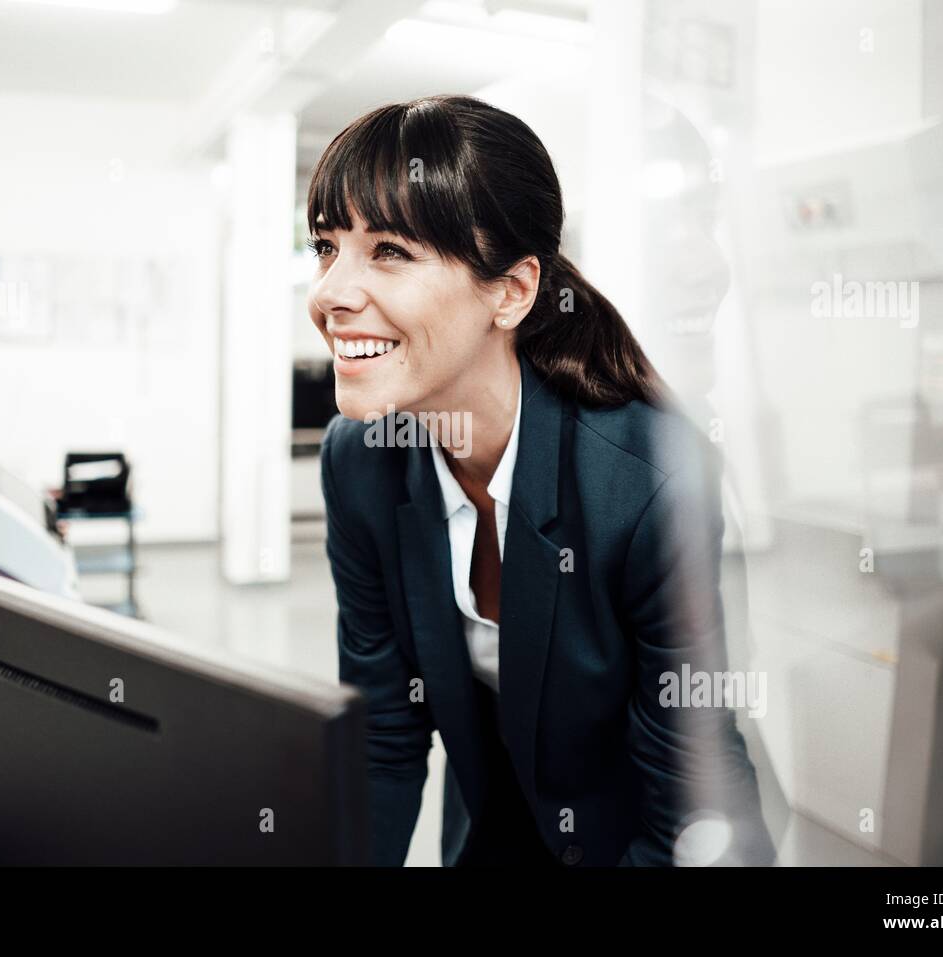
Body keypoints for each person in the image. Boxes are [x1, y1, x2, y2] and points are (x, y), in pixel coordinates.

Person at [309, 94, 774, 867]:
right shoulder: (360, 460)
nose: (329, 294)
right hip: (499, 825)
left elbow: (684, 799)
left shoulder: (647, 483)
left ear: (513, 291)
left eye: (388, 249)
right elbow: (384, 739)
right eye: (325, 246)